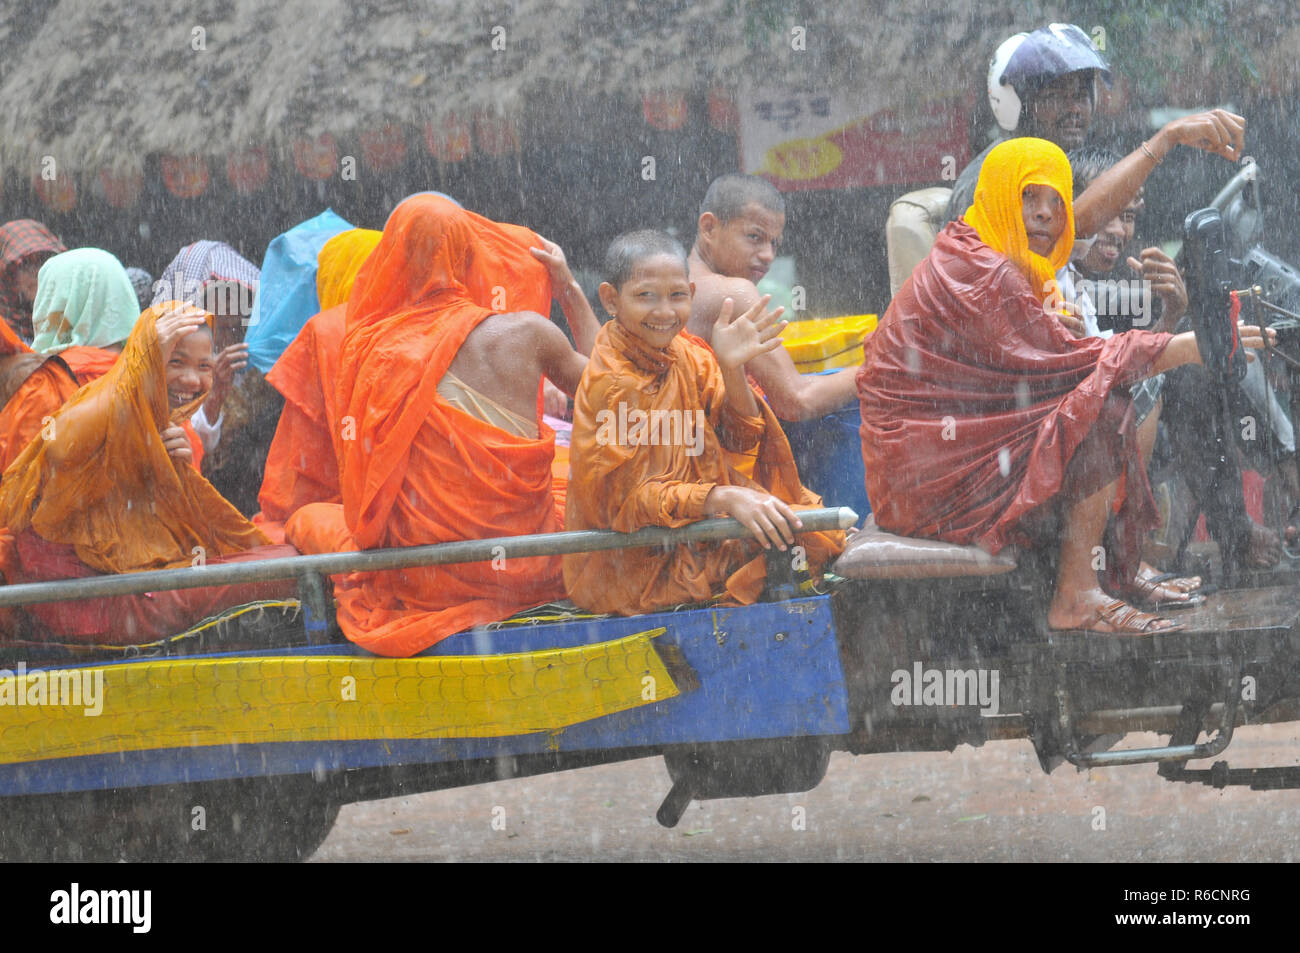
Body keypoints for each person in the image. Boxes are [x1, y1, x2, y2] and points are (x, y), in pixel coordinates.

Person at [859, 137, 1273, 635]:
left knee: (1105, 398)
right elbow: (1083, 370)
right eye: (1028, 198)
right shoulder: (985, 272)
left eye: (1056, 201)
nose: (1044, 215)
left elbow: (1061, 362)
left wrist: (1178, 331)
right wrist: (1191, 345)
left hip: (950, 456)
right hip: (924, 482)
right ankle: (1078, 596)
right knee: (1100, 404)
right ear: (994, 197)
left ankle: (1108, 572)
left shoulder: (1005, 259)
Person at [284, 194, 590, 657]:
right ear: (470, 256)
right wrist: (567, 287)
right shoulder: (529, 332)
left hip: (427, 577)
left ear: (391, 259)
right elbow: (618, 389)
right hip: (532, 564)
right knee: (572, 476)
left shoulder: (370, 348)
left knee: (305, 518)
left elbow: (364, 510)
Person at [564, 230, 844, 615]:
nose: (664, 312)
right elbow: (627, 505)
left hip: (691, 533)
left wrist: (732, 368)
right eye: (646, 296)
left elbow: (741, 437)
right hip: (631, 564)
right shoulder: (615, 383)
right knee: (800, 540)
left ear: (692, 294)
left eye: (677, 296)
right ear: (611, 299)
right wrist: (724, 497)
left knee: (808, 529)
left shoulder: (686, 355)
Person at [0, 303, 297, 644]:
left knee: (284, 549)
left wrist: (177, 472)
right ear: (144, 358)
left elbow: (173, 533)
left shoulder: (158, 423)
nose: (191, 379)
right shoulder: (100, 406)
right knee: (287, 565)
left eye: (204, 366)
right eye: (175, 361)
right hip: (95, 604)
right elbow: (60, 445)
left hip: (131, 586)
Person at [1064, 146, 1286, 575]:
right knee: (1194, 368)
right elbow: (1110, 372)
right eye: (1107, 211)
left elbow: (1127, 362)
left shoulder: (1132, 270)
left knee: (1220, 356)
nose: (1116, 230)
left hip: (1126, 421)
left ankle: (1270, 487)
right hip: (1083, 432)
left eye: (1127, 217)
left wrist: (1173, 311)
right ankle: (1242, 519)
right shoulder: (1055, 271)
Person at [944, 23, 1246, 241]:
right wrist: (1167, 137)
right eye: (1056, 96)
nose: (1074, 108)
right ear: (1019, 105)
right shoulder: (989, 178)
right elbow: (1064, 237)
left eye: (1081, 95)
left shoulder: (1066, 168)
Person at [687, 174, 856, 422]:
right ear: (709, 228)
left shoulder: (677, 283)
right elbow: (797, 401)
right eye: (755, 237)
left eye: (775, 244)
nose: (768, 255)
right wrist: (881, 367)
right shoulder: (734, 293)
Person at [0, 249, 183, 473]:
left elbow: (18, 483)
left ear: (50, 303)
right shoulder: (155, 380)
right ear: (123, 301)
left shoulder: (35, 382)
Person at [255, 227, 383, 541]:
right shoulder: (421, 324)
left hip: (341, 522)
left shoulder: (324, 333)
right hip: (414, 516)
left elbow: (294, 477)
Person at [0, 220, 66, 343]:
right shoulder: (3, 335)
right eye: (25, 264)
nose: (37, 272)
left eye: (43, 261)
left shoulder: (76, 319)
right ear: (7, 277)